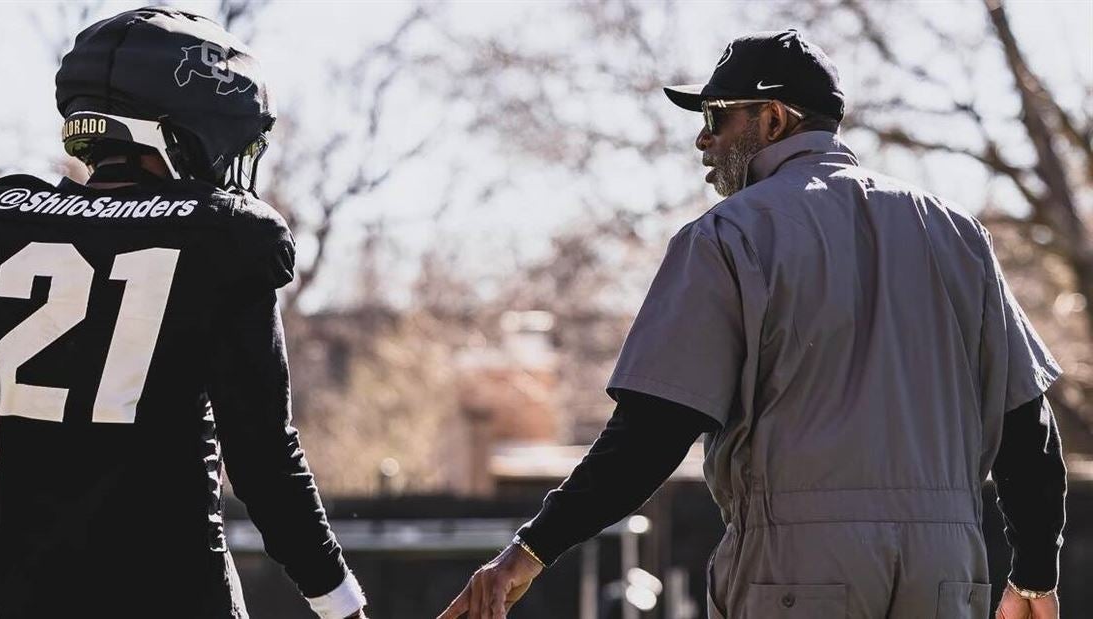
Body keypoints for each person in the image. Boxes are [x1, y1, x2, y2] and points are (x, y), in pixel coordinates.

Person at [439, 29, 1065, 619]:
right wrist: (1036, 573)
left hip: (798, 572)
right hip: (946, 573)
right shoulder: (957, 234)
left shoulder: (730, 236)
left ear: (773, 119)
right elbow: (1027, 425)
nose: (702, 141)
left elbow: (653, 430)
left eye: (715, 118)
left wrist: (531, 550)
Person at [0, 7, 367, 619]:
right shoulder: (223, 237)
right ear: (178, 129)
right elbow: (263, 458)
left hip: (33, 597)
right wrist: (340, 603)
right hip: (176, 593)